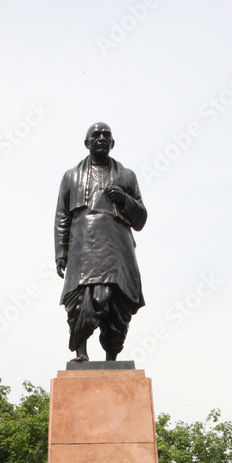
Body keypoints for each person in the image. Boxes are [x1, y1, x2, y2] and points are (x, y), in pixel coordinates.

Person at [55, 122, 147, 362]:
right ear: (87, 143)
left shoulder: (127, 176)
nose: (101, 138)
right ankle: (81, 353)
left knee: (115, 304)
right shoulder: (71, 177)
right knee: (81, 301)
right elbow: (62, 217)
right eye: (95, 135)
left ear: (113, 144)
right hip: (83, 247)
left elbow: (141, 219)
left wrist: (124, 199)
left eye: (107, 135)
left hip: (117, 247)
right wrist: (61, 253)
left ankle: (111, 359)